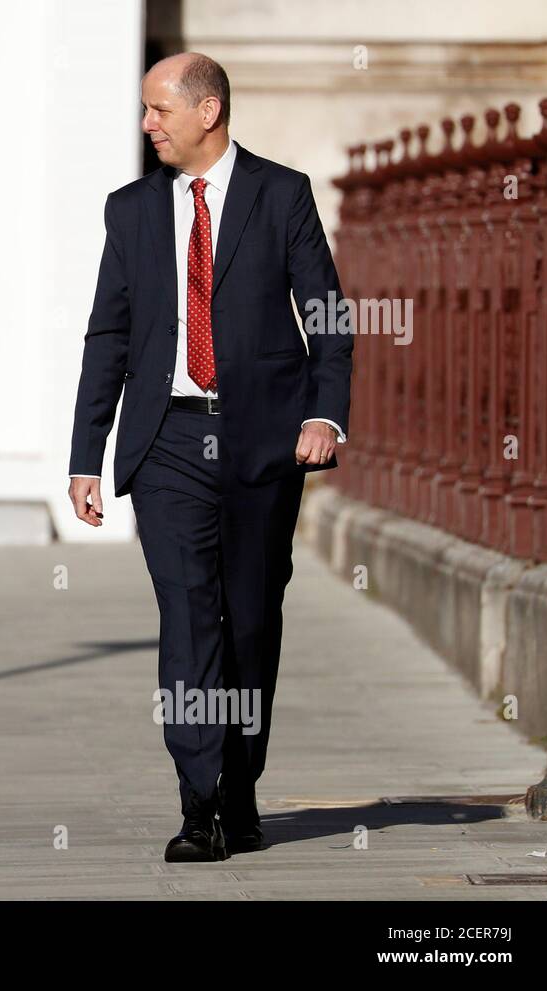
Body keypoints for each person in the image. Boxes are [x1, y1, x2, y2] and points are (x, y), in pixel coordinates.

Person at [67, 54, 352, 862]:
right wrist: (88, 454)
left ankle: (240, 781)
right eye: (145, 110)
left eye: (159, 109)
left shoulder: (282, 194)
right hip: (168, 443)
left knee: (252, 618)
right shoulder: (130, 212)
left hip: (264, 440)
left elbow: (327, 313)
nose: (147, 123)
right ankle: (199, 803)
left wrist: (326, 412)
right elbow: (108, 337)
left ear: (208, 110)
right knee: (189, 618)